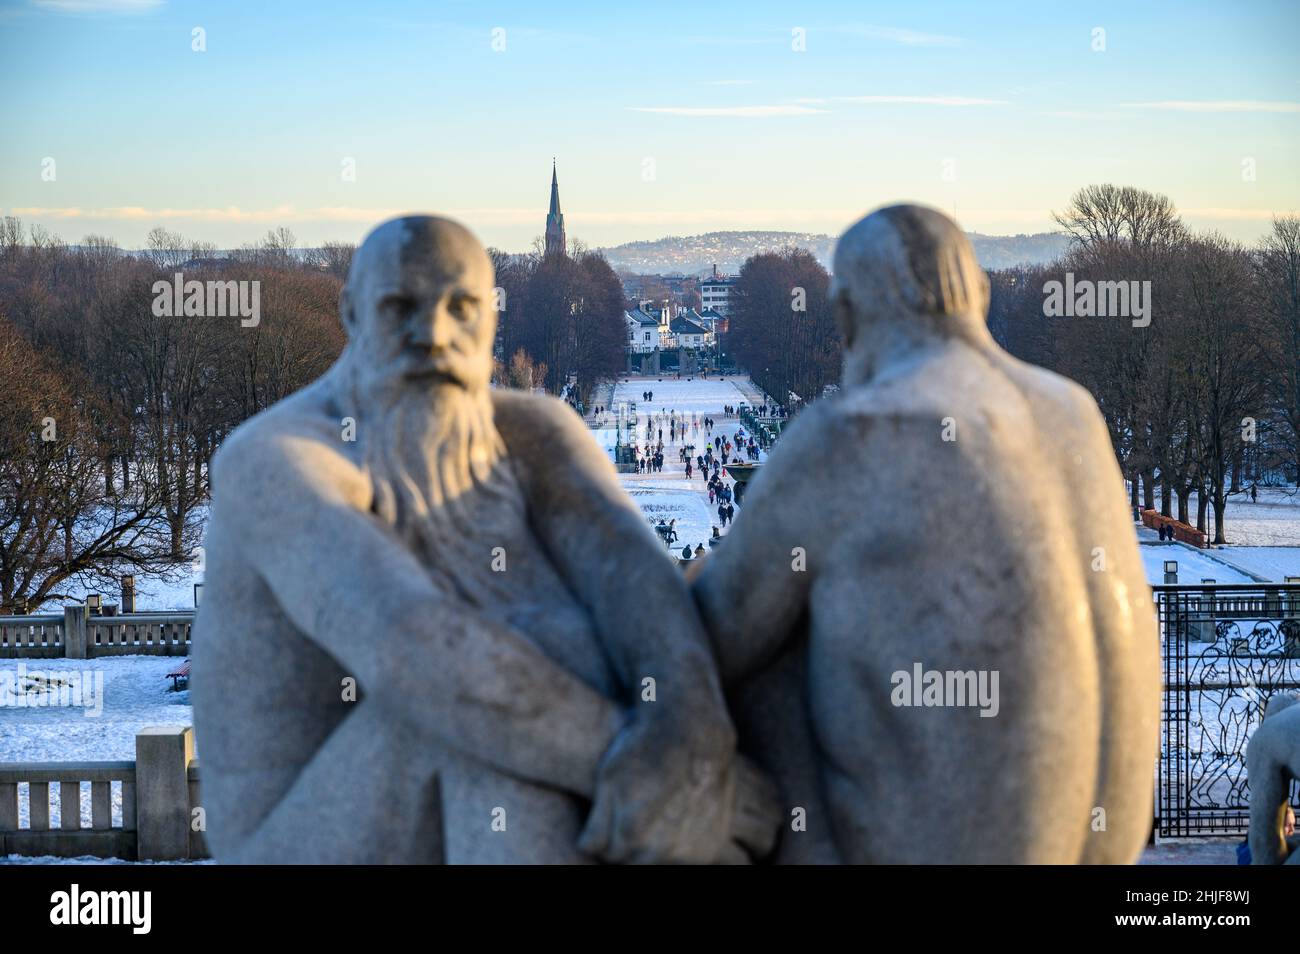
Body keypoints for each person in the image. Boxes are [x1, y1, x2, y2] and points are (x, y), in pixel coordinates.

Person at [193, 215, 777, 864]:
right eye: (399, 308)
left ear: (492, 318)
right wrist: (654, 780)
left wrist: (690, 740)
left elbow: (639, 583)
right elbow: (414, 648)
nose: (434, 336)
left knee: (599, 658)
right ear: (352, 313)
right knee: (483, 714)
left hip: (467, 784)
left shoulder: (535, 430)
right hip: (301, 836)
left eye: (461, 308)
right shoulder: (275, 460)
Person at [692, 205, 1158, 864]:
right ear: (981, 297)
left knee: (756, 657)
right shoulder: (1073, 413)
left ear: (849, 316)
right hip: (1105, 851)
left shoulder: (856, 431)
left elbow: (703, 635)